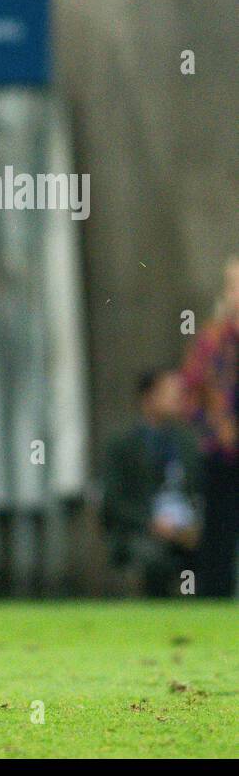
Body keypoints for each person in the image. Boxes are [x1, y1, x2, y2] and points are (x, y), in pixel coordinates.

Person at [102, 369, 201, 596]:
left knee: (215, 552)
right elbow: (113, 501)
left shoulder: (187, 442)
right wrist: (151, 523)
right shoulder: (122, 445)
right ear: (148, 397)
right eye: (171, 392)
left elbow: (199, 491)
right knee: (153, 558)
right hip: (142, 531)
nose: (179, 398)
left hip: (187, 529)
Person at [181, 254, 239, 598]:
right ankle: (214, 599)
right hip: (223, 453)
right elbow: (190, 393)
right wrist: (214, 428)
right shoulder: (212, 340)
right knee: (218, 532)